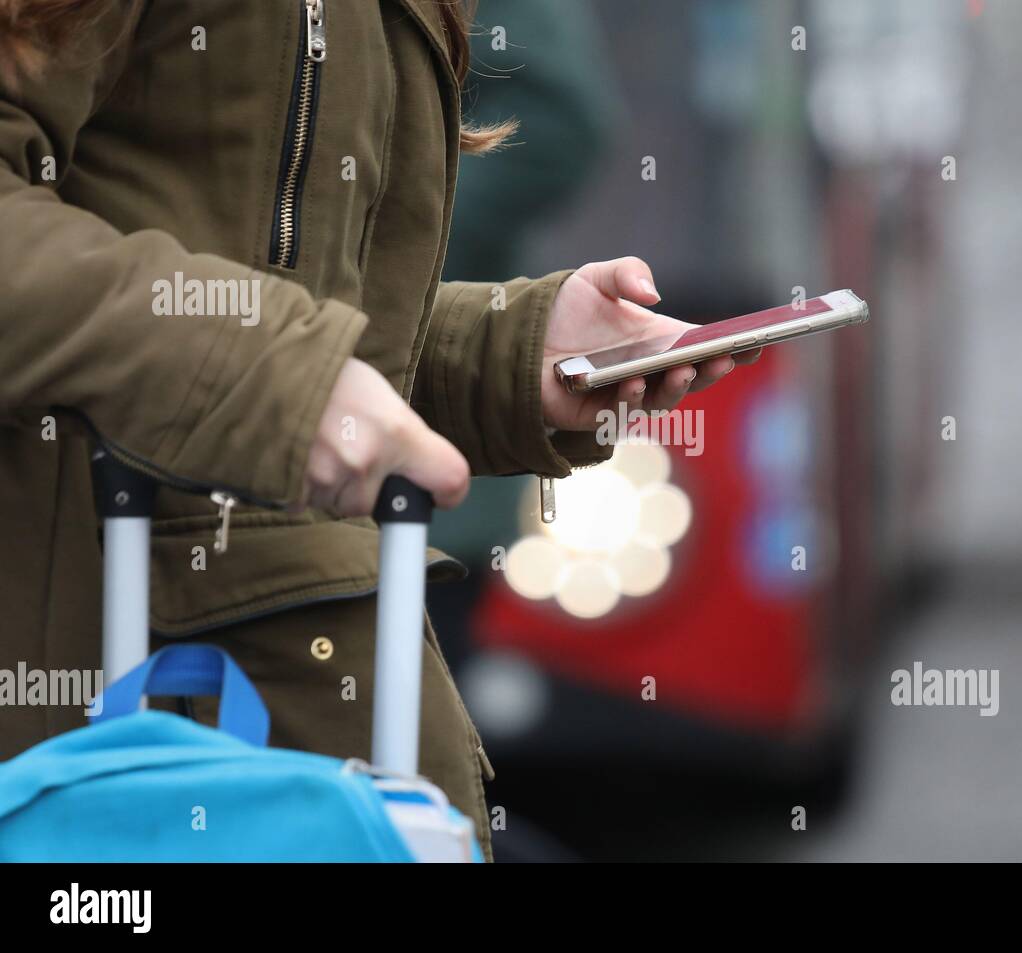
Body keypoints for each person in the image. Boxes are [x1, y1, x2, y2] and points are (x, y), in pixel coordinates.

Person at [0, 0, 756, 860]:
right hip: (104, 728)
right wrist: (278, 377)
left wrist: (511, 350)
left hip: (280, 721)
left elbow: (300, 307)